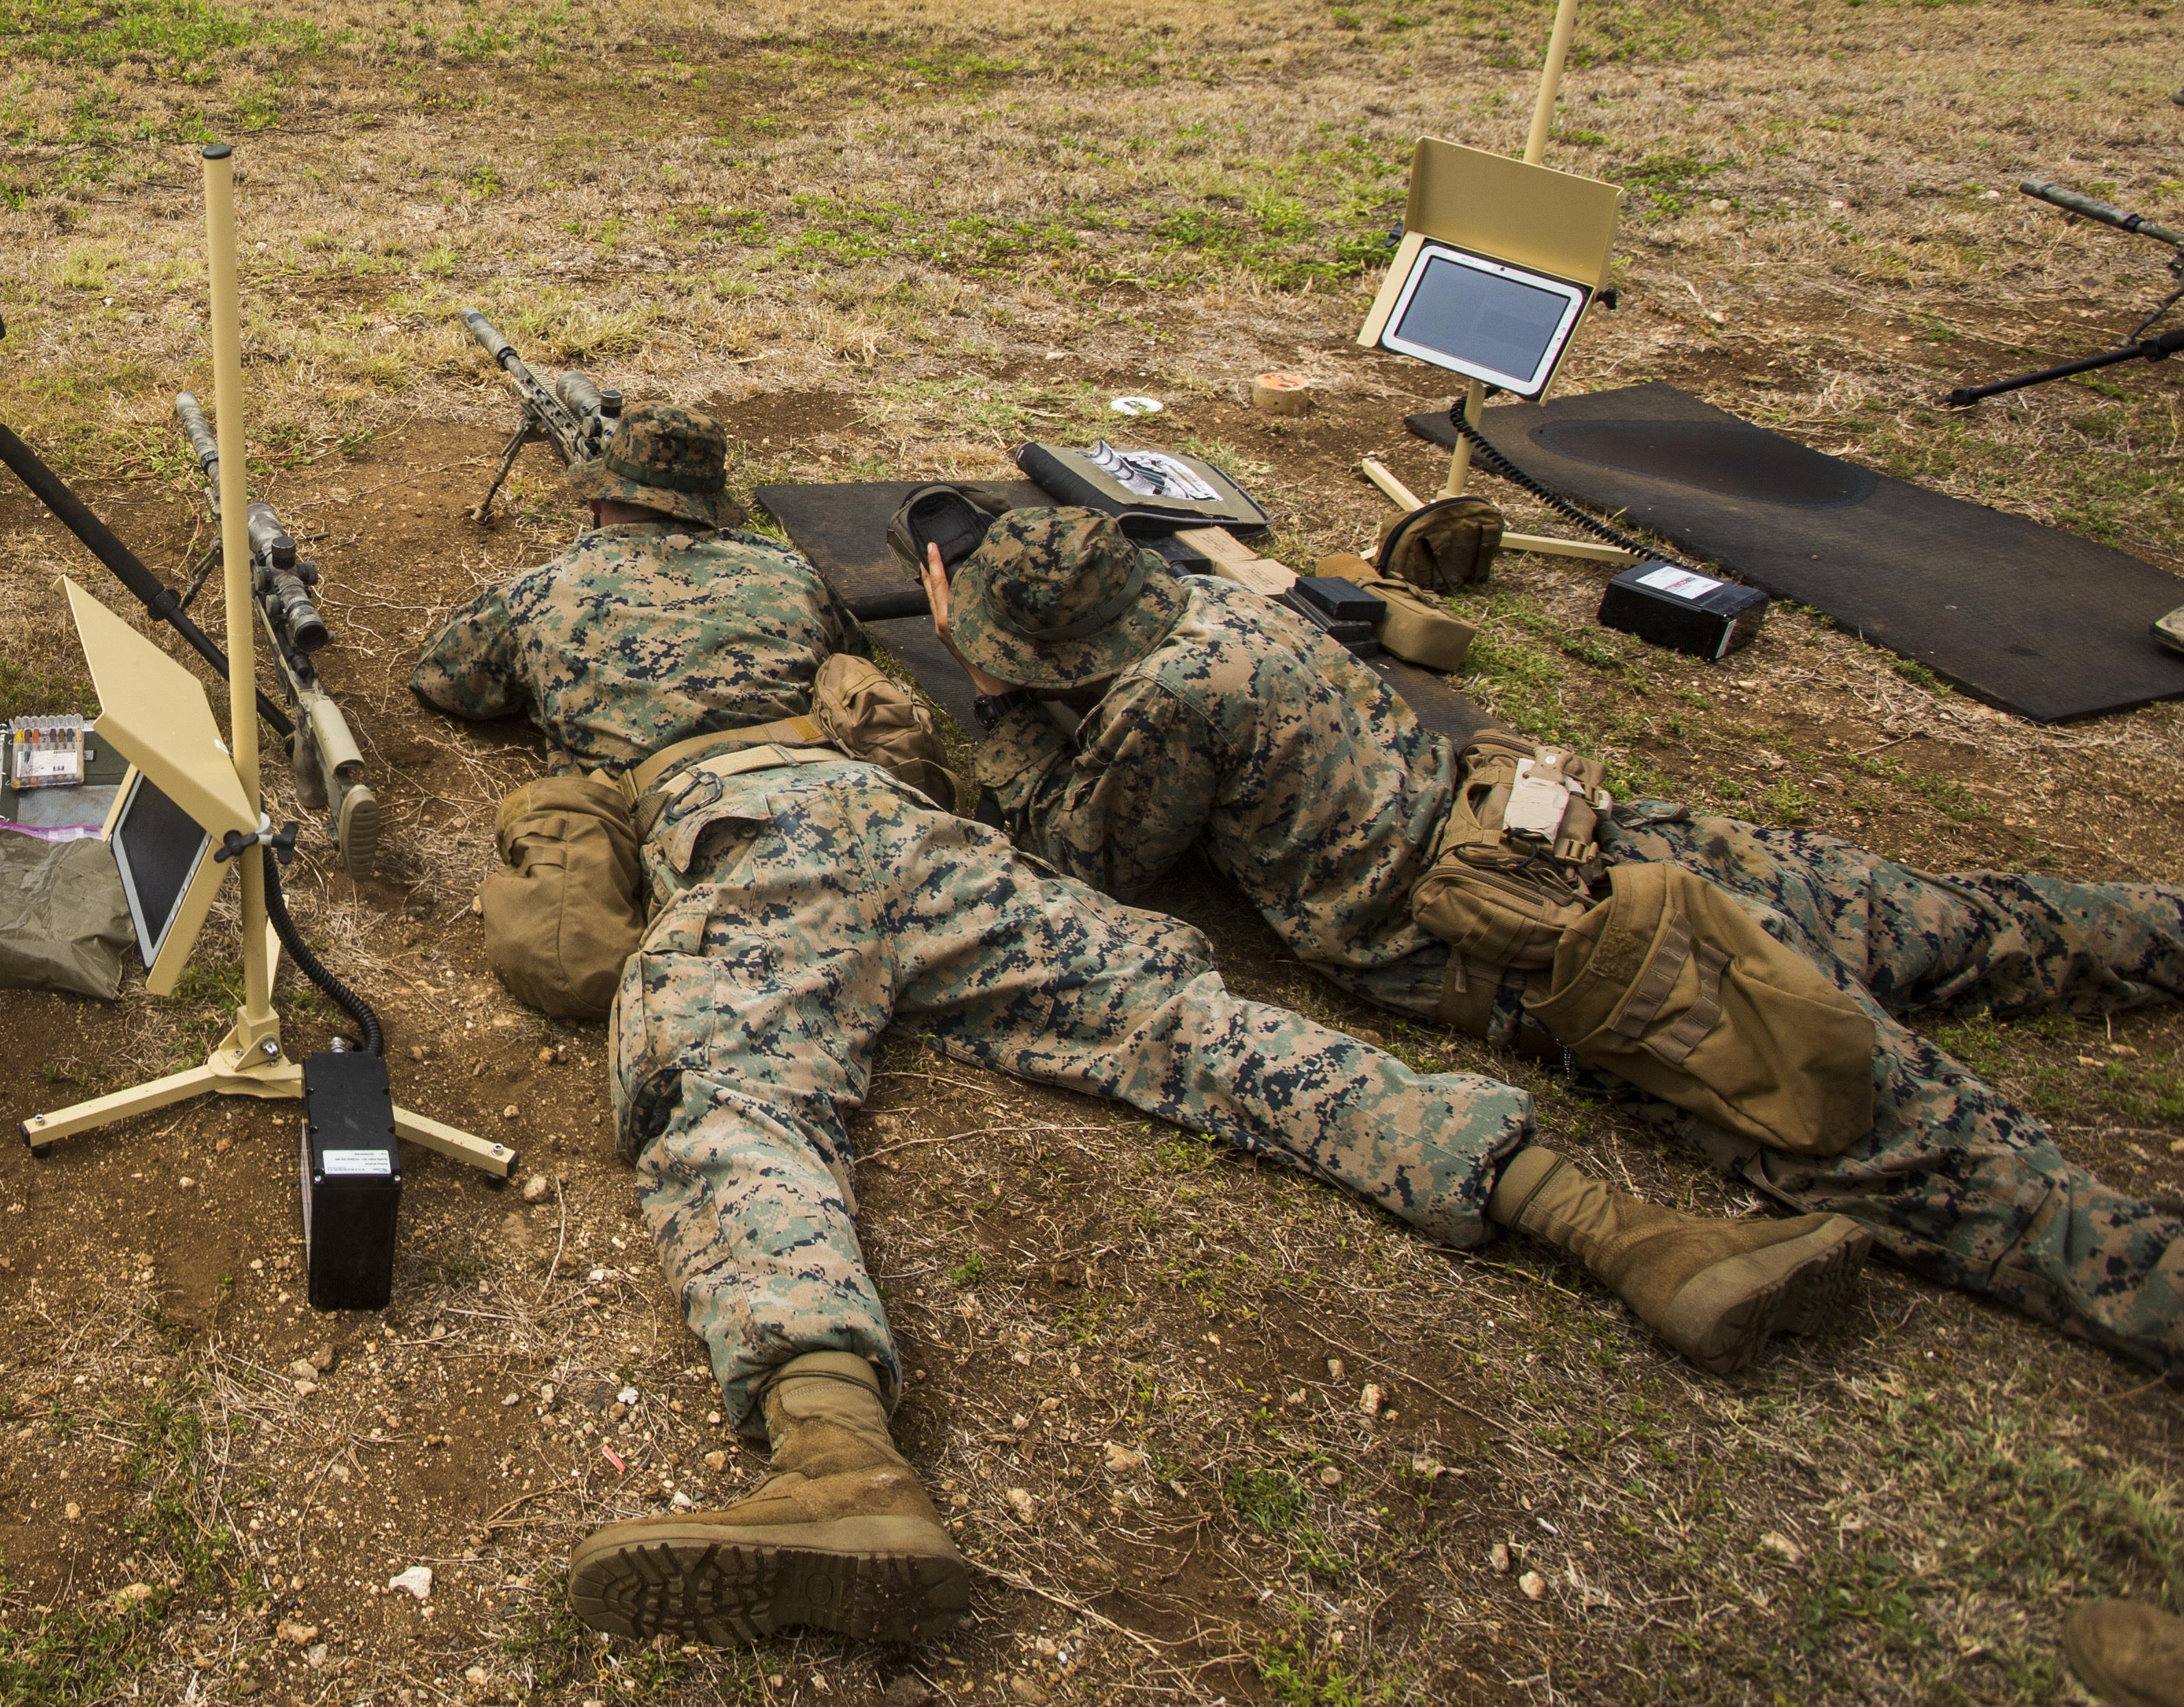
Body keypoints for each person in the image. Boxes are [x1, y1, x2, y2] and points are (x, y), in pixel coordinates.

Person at [412, 408, 1867, 1648]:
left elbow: (445, 678)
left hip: (744, 842)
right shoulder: (774, 575)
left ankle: (834, 1451)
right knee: (1186, 1026)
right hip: (920, 834)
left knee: (726, 1095)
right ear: (709, 497)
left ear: (599, 497)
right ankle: (1625, 1231)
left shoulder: (555, 585)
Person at [930, 504, 2184, 1372]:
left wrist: (995, 704)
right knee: (1973, 922)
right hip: (1606, 837)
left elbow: (1081, 862)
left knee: (1960, 1180)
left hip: (1579, 959)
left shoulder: (1165, 701)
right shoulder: (1219, 612)